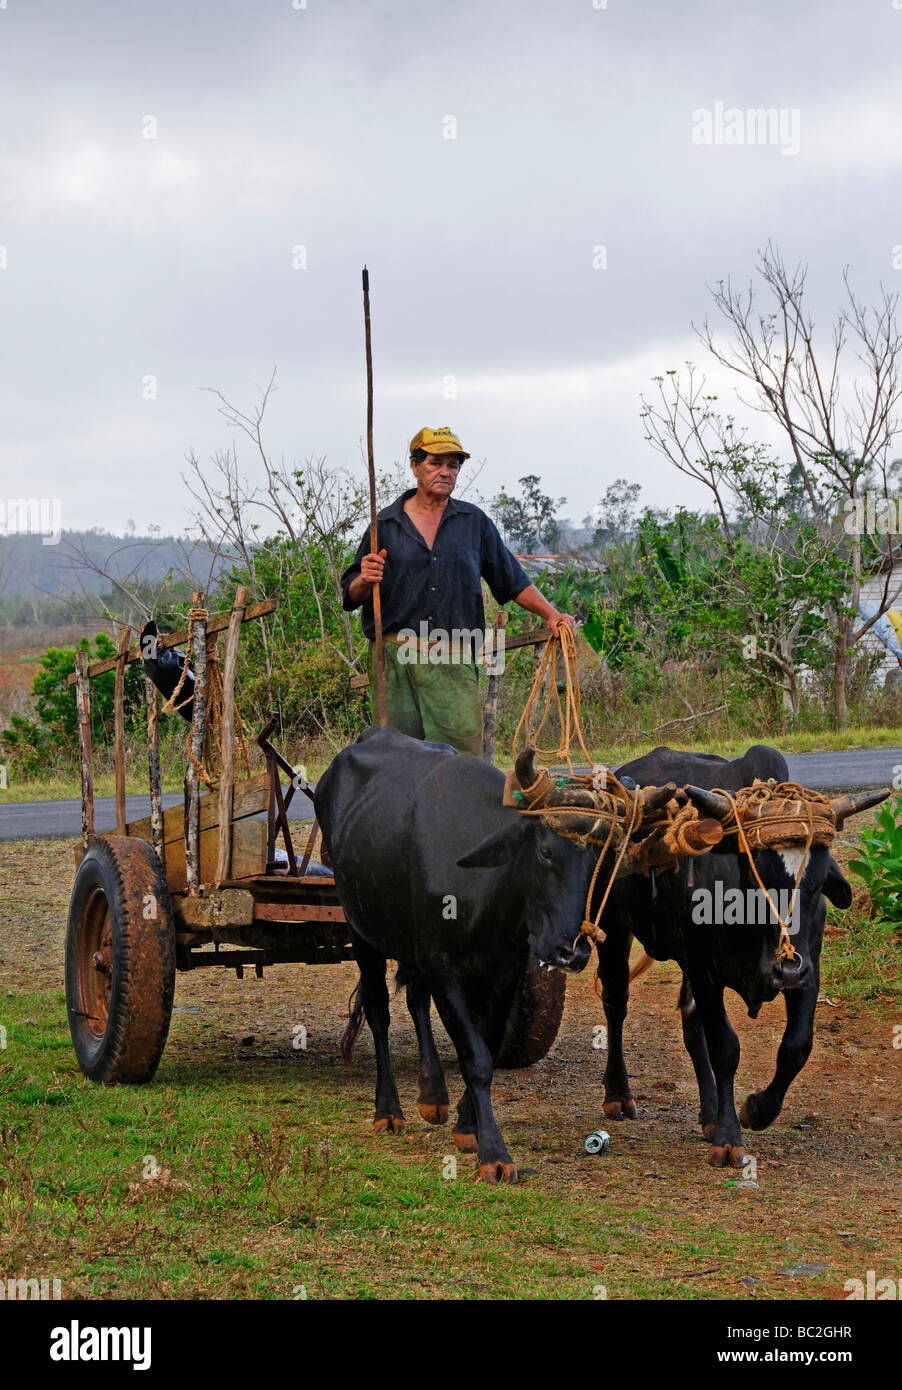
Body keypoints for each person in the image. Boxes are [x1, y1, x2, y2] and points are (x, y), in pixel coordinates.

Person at [341, 425, 576, 755]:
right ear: (415, 466)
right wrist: (365, 579)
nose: (445, 472)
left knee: (463, 761)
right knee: (395, 760)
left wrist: (551, 615)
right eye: (435, 463)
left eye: (453, 465)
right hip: (394, 660)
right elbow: (351, 594)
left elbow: (512, 580)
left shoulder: (473, 522)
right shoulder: (385, 526)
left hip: (452, 655)